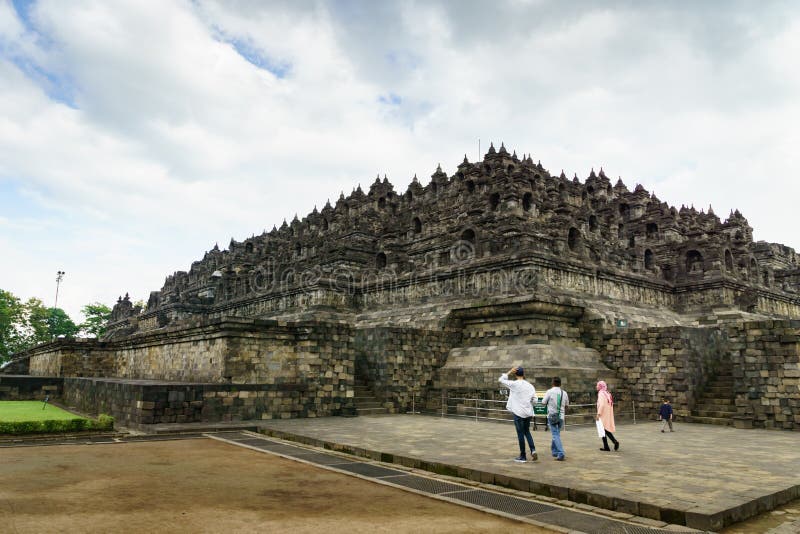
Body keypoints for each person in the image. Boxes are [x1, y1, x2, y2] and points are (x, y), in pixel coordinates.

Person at [499, 366, 538, 462]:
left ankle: (523, 456)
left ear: (516, 374)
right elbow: (535, 400)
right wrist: (528, 404)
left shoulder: (514, 384)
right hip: (528, 413)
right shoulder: (530, 386)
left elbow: (501, 380)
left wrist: (509, 372)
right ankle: (533, 450)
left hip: (518, 413)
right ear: (523, 374)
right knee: (527, 432)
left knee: (520, 434)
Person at [542, 377, 569, 461]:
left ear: (552, 383)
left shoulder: (549, 392)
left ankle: (561, 453)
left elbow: (543, 402)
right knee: (557, 434)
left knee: (555, 434)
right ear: (560, 384)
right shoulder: (564, 393)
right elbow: (567, 405)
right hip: (561, 416)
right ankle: (554, 451)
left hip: (552, 416)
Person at [596, 380, 620, 451]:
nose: (596, 386)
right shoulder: (607, 393)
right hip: (607, 414)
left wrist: (598, 414)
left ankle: (613, 442)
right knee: (604, 430)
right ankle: (608, 445)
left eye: (597, 385)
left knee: (603, 429)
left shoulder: (601, 394)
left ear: (600, 386)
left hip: (602, 414)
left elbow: (602, 404)